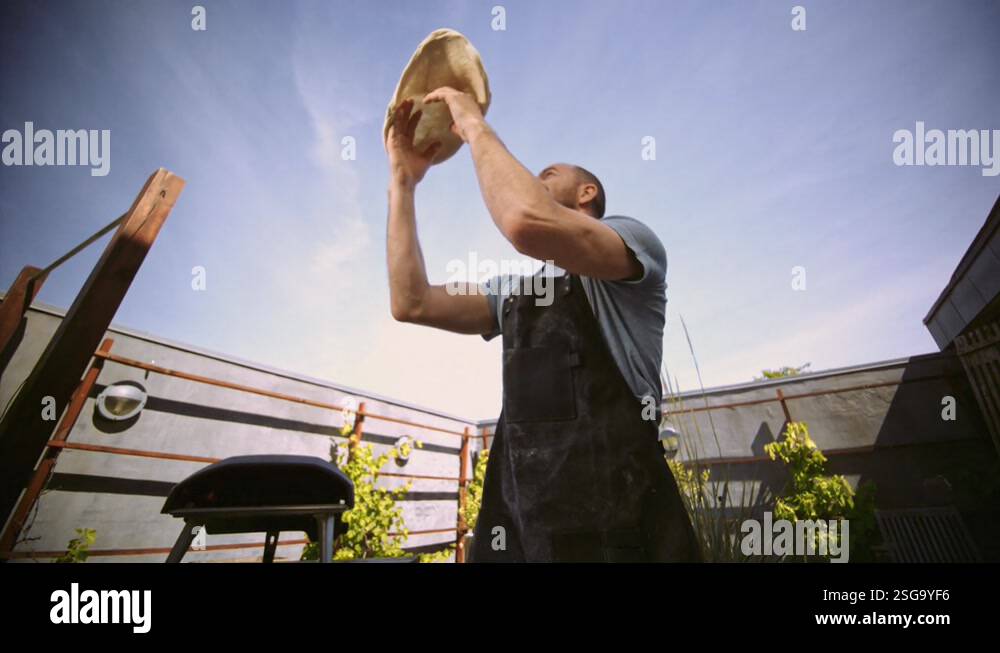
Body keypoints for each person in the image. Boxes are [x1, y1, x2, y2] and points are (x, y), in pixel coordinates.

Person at [385, 89, 701, 562]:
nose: (532, 181)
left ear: (586, 192)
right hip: (519, 526)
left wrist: (471, 123)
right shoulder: (513, 292)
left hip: (621, 526)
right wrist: (403, 182)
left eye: (546, 175)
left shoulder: (633, 245)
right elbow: (411, 302)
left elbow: (525, 222)